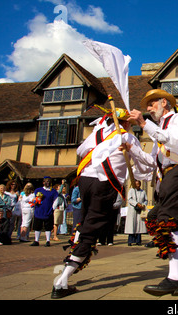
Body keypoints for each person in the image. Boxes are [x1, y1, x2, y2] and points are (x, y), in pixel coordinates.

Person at [51, 105, 155, 299]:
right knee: (92, 227)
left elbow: (81, 151)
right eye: (130, 123)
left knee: (87, 222)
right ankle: (62, 281)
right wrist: (131, 149)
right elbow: (149, 163)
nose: (132, 127)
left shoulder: (96, 134)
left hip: (84, 181)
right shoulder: (127, 138)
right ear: (124, 123)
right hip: (104, 184)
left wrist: (99, 146)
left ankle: (75, 251)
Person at [129, 89, 178, 300]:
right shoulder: (158, 130)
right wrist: (131, 149)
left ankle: (174, 277)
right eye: (147, 105)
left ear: (165, 102)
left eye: (151, 103)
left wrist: (144, 125)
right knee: (177, 227)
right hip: (167, 176)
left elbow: (173, 143)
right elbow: (152, 161)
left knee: (165, 219)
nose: (147, 108)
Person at [31, 177, 59, 247]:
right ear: (43, 182)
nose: (48, 183)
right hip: (39, 211)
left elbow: (56, 200)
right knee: (37, 227)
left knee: (48, 227)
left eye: (49, 181)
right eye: (46, 181)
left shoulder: (53, 191)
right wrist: (34, 201)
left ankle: (47, 241)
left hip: (48, 211)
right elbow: (33, 198)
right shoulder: (38, 190)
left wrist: (52, 208)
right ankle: (36, 240)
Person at [125, 180, 148, 246]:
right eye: (136, 184)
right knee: (132, 225)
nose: (137, 185)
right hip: (133, 209)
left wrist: (143, 204)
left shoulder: (143, 192)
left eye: (138, 184)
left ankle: (138, 241)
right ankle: (130, 240)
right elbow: (129, 199)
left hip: (140, 210)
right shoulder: (131, 191)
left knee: (139, 225)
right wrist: (136, 204)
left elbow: (146, 200)